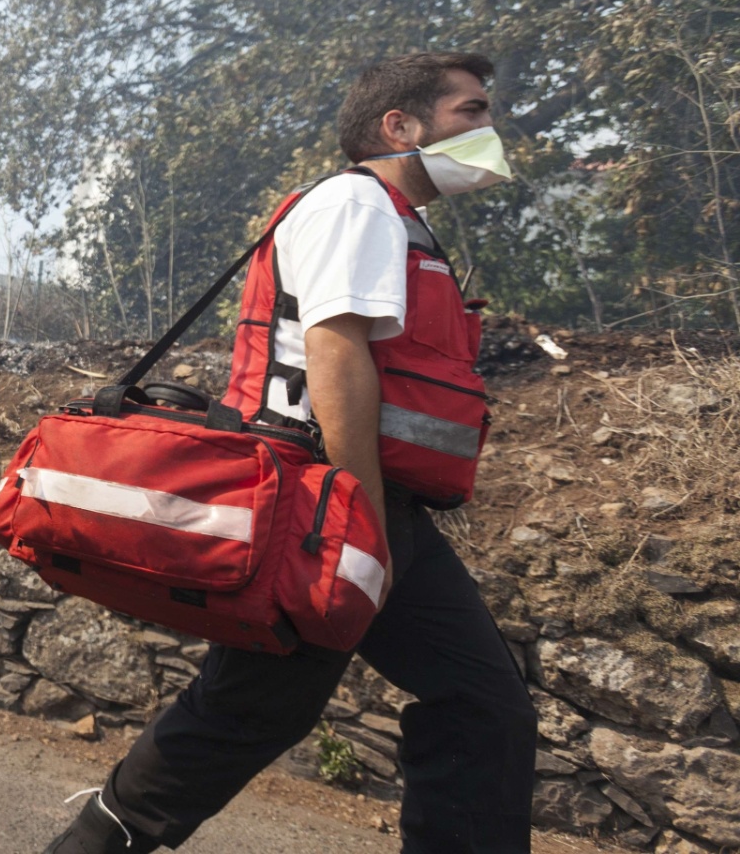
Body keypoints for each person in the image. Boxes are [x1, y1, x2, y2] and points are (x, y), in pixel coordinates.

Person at [44, 53, 537, 853]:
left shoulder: (395, 217)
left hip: (370, 506)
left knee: (483, 707)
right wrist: (362, 516)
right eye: (470, 112)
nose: (488, 131)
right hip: (329, 503)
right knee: (248, 712)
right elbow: (337, 355)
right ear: (400, 128)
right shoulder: (357, 204)